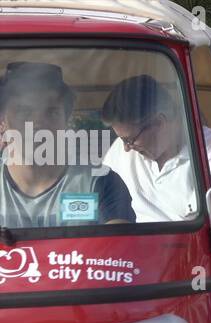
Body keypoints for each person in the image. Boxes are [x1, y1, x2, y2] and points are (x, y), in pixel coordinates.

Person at [101, 75, 211, 239]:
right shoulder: (120, 148)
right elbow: (101, 201)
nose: (126, 148)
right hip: (136, 256)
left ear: (159, 122)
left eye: (130, 140)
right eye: (122, 140)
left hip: (200, 257)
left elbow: (208, 227)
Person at [0, 62, 135, 228]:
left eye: (51, 112)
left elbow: (120, 249)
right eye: (24, 111)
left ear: (66, 120)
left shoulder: (102, 183)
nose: (38, 123)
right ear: (2, 122)